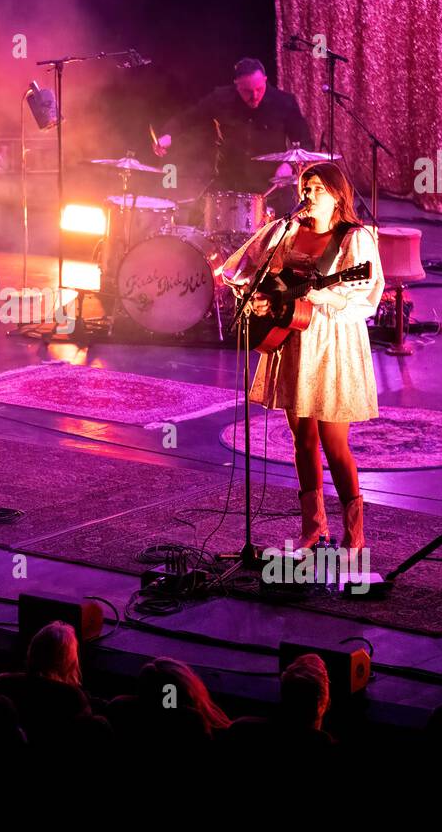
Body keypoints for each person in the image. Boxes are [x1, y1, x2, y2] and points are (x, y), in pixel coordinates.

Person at [221, 161, 382, 552]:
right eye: (304, 188)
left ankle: (355, 535)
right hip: (291, 338)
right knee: (302, 440)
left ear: (337, 196)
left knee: (333, 440)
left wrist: (317, 294)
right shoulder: (285, 230)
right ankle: (314, 529)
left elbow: (365, 297)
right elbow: (236, 269)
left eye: (316, 190)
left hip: (332, 342)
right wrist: (256, 297)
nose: (307, 196)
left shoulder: (354, 240)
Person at [154, 58, 313, 196]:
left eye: (259, 89)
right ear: (237, 85)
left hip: (271, 188)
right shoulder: (221, 98)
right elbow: (189, 117)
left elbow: (306, 143)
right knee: (194, 222)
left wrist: (289, 166)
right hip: (229, 183)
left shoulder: (284, 102)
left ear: (265, 79)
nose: (254, 96)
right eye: (247, 91)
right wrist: (168, 134)